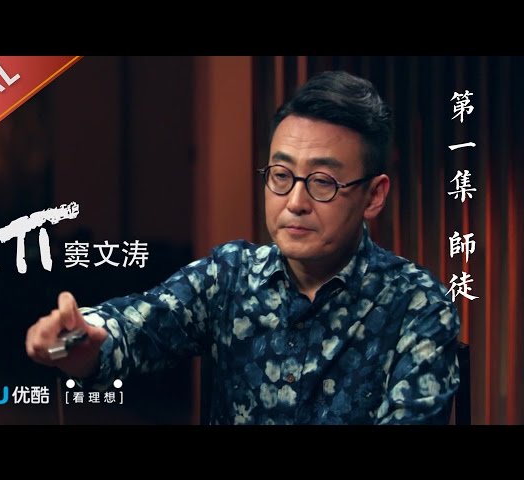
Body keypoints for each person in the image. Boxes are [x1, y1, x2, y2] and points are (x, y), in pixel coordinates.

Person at [26, 70, 460, 425]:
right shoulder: (229, 276)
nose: (295, 202)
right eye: (281, 175)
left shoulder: (417, 305)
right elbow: (139, 325)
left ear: (374, 195)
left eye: (323, 182)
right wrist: (85, 340)